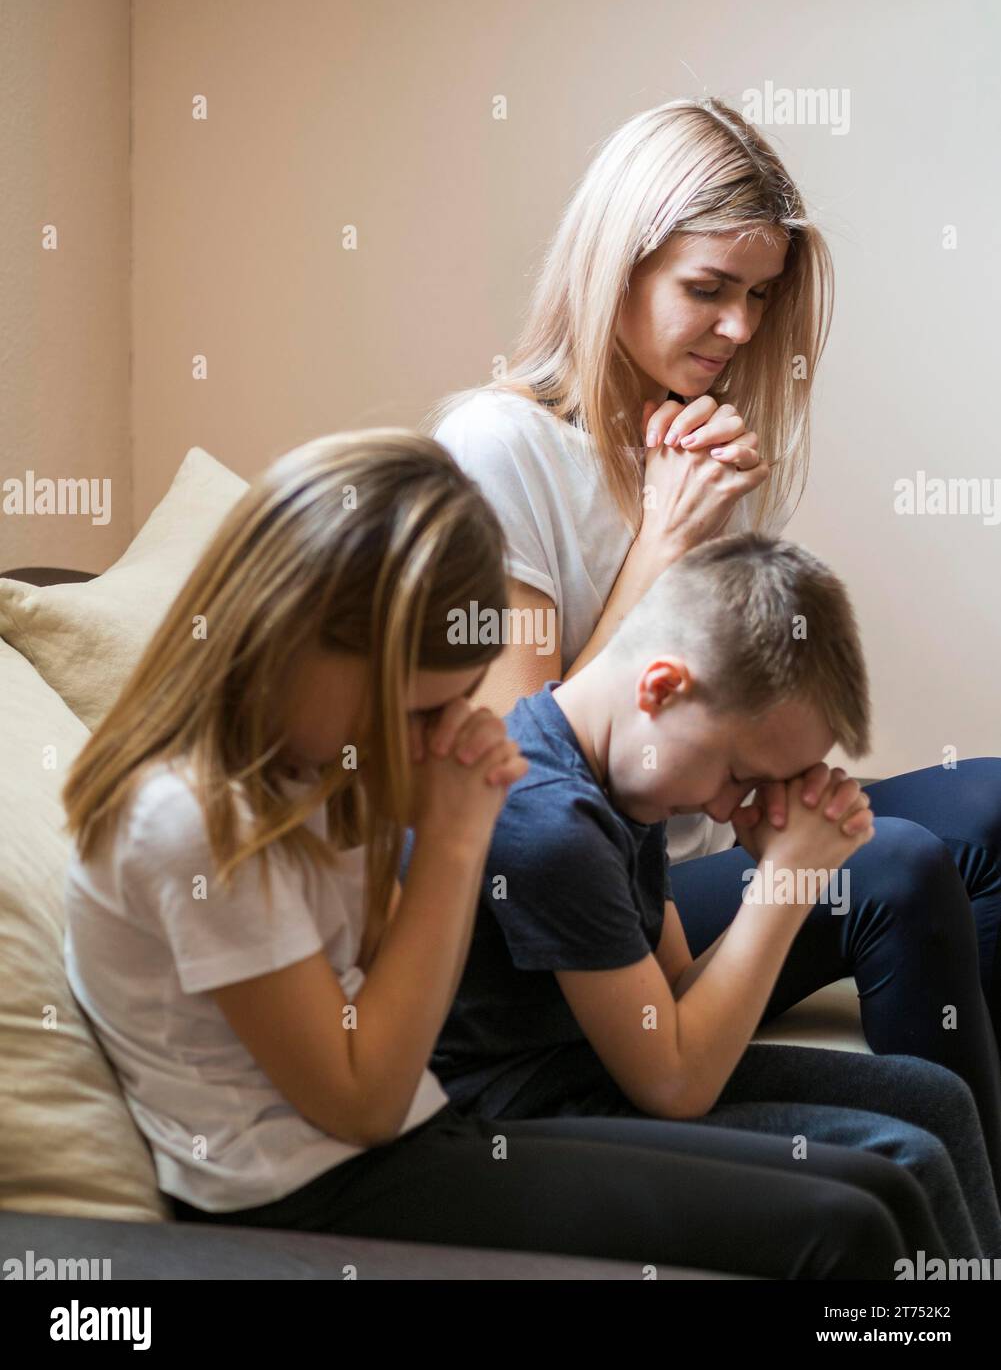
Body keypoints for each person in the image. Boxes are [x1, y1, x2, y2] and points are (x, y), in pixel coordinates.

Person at [59, 431, 956, 1279]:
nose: (450, 732)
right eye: (422, 711)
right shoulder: (190, 822)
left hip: (405, 1138)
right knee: (845, 1223)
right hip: (308, 1192)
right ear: (300, 640)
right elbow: (365, 1098)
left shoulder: (307, 780)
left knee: (879, 1185)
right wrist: (453, 838)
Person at [421, 95, 1001, 1056]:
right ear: (619, 266)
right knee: (892, 864)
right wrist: (665, 537)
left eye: (761, 294)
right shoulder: (496, 447)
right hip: (584, 892)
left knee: (987, 802)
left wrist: (787, 798)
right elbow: (521, 767)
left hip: (698, 842)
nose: (738, 326)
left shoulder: (698, 438)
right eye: (708, 288)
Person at [424, 532, 1001, 1261]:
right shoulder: (548, 820)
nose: (732, 809)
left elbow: (674, 994)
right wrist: (783, 885)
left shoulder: (614, 782)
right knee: (900, 1155)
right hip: (513, 1113)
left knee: (933, 1097)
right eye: (738, 773)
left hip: (591, 1071)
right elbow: (675, 1083)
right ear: (661, 688)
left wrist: (778, 877)